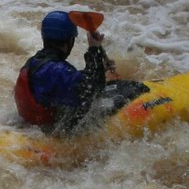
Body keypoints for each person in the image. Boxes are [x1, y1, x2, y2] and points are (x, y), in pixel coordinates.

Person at [14, 11, 147, 135]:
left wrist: (99, 67)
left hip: (39, 123)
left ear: (44, 37)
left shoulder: (35, 62)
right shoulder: (56, 70)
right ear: (70, 41)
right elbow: (91, 90)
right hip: (53, 129)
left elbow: (65, 83)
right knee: (124, 96)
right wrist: (94, 49)